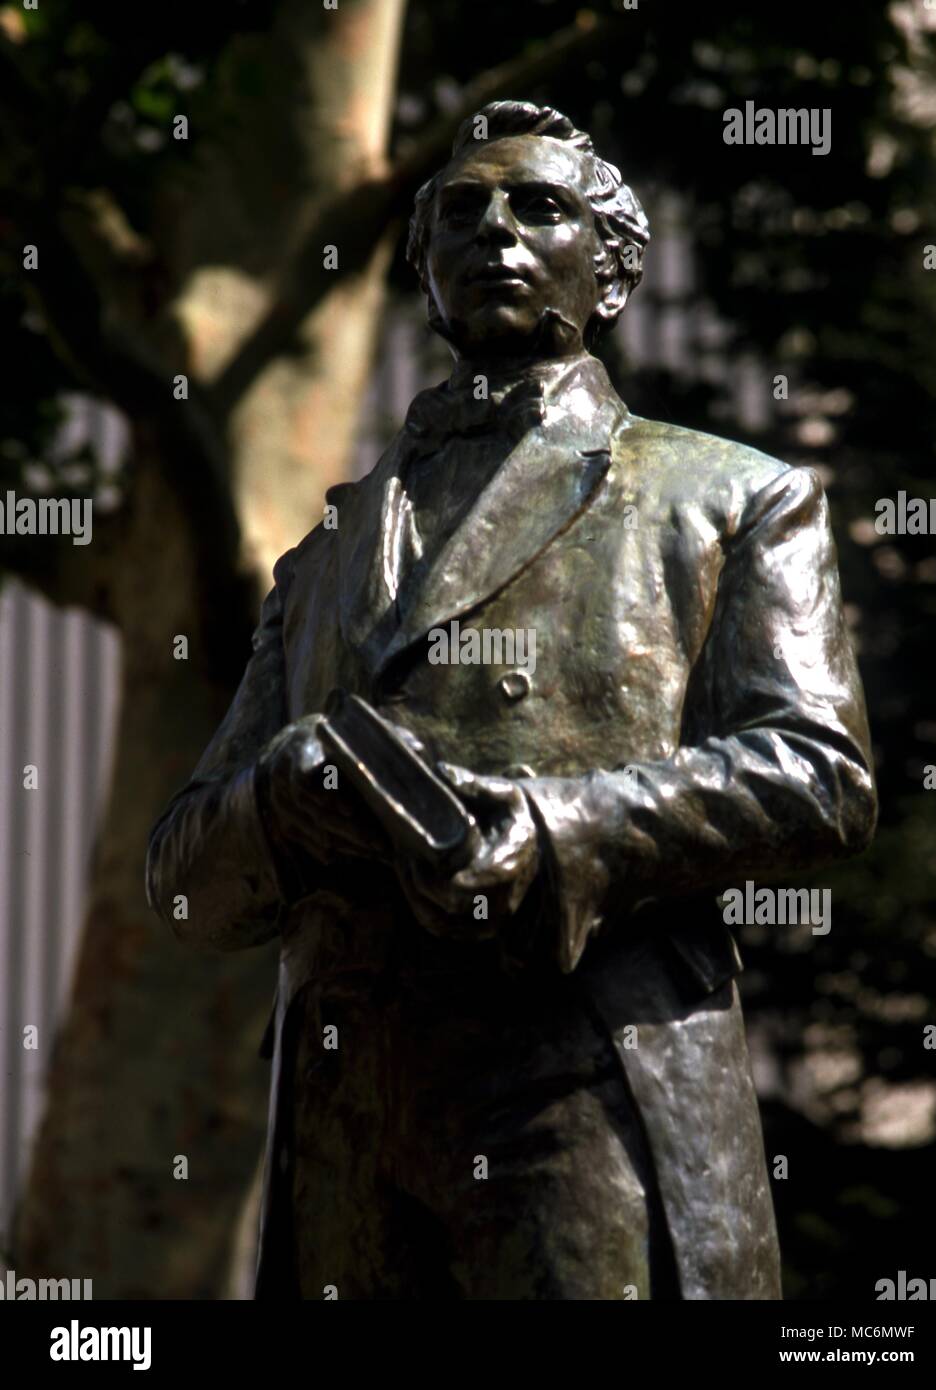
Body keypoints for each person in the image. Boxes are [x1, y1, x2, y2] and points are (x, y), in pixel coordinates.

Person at [146, 100, 877, 1300]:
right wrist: (280, 801)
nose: (494, 229)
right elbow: (182, 883)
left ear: (614, 270)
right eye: (459, 211)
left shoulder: (729, 496)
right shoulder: (323, 555)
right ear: (424, 274)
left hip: (586, 1088)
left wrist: (558, 830)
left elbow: (819, 771)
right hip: (349, 1136)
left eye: (539, 206)